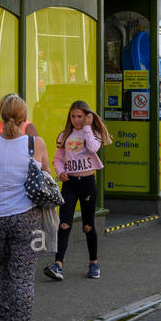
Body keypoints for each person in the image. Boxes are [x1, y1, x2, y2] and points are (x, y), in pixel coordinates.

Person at [0, 93, 49, 321]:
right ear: (25, 117)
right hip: (25, 216)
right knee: (22, 274)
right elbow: (46, 175)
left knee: (0, 270)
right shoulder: (35, 143)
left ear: (0, 114)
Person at [46, 101, 112, 281]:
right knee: (64, 224)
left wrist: (88, 128)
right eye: (73, 116)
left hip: (88, 183)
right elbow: (58, 159)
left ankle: (94, 263)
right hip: (70, 184)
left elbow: (92, 148)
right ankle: (58, 265)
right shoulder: (64, 135)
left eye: (80, 116)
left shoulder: (93, 134)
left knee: (88, 225)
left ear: (87, 117)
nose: (76, 120)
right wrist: (60, 172)